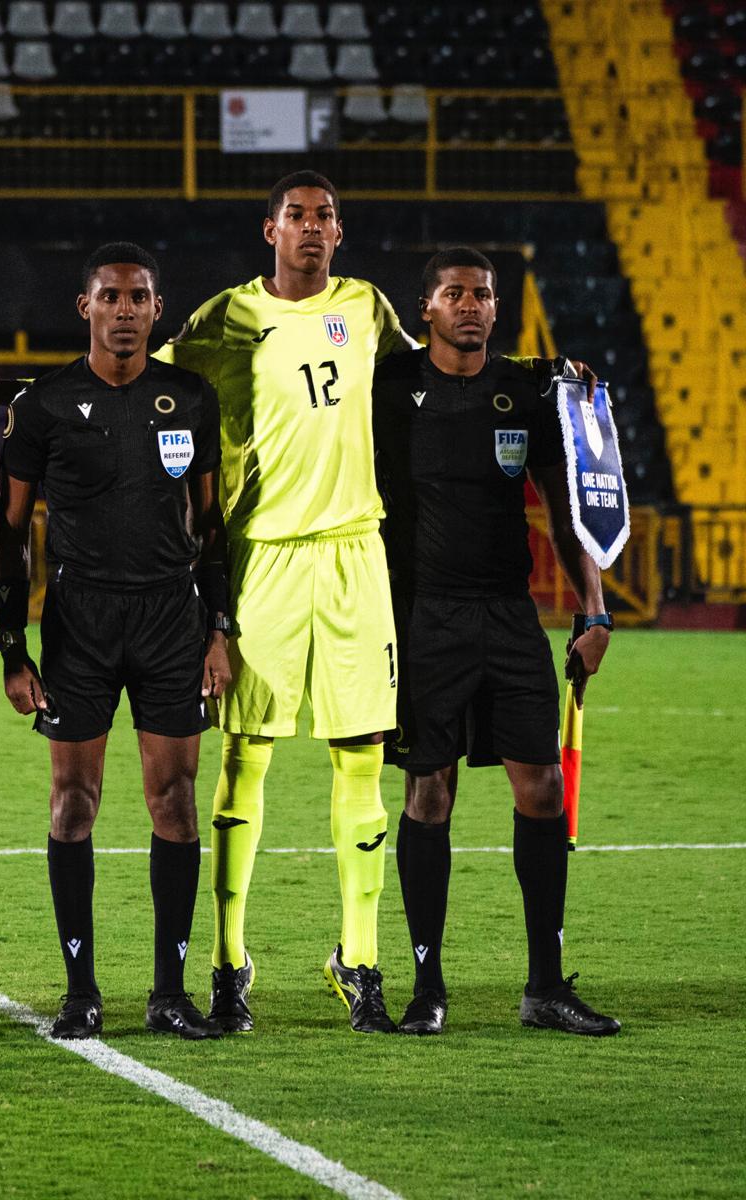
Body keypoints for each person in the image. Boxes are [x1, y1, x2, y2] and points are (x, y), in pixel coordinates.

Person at [155, 170, 414, 1034]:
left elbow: (430, 373)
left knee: (362, 757)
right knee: (246, 755)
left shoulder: (367, 307)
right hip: (263, 553)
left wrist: (537, 375)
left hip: (355, 552)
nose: (310, 227)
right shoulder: (228, 316)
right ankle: (229, 962)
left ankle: (361, 961)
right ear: (269, 230)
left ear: (339, 231)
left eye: (324, 216)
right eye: (296, 216)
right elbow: (145, 377)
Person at [373, 248, 620, 1037]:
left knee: (542, 790)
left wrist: (595, 611)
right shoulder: (391, 387)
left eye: (481, 294)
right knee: (429, 793)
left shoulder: (525, 392)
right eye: (454, 294)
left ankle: (545, 987)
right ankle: (427, 988)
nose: (470, 305)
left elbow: (566, 509)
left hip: (511, 617)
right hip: (427, 619)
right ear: (426, 309)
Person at [0, 243, 231, 1040]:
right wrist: (12, 648)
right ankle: (80, 993)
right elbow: (11, 533)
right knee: (74, 803)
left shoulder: (190, 399)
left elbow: (212, 524)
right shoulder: (45, 404)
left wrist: (219, 630)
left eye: (138, 298)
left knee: (176, 802)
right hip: (80, 624)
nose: (124, 311)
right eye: (110, 297)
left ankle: (170, 993)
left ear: (158, 310)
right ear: (85, 307)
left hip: (170, 619)